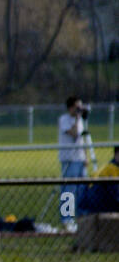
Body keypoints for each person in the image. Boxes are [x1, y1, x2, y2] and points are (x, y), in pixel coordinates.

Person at [58, 97, 89, 233]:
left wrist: (86, 157)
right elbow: (74, 134)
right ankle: (67, 219)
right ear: (70, 108)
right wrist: (77, 118)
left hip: (80, 159)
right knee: (68, 190)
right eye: (77, 107)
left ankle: (82, 217)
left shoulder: (81, 120)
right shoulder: (64, 120)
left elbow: (82, 138)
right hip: (69, 159)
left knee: (82, 190)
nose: (79, 110)